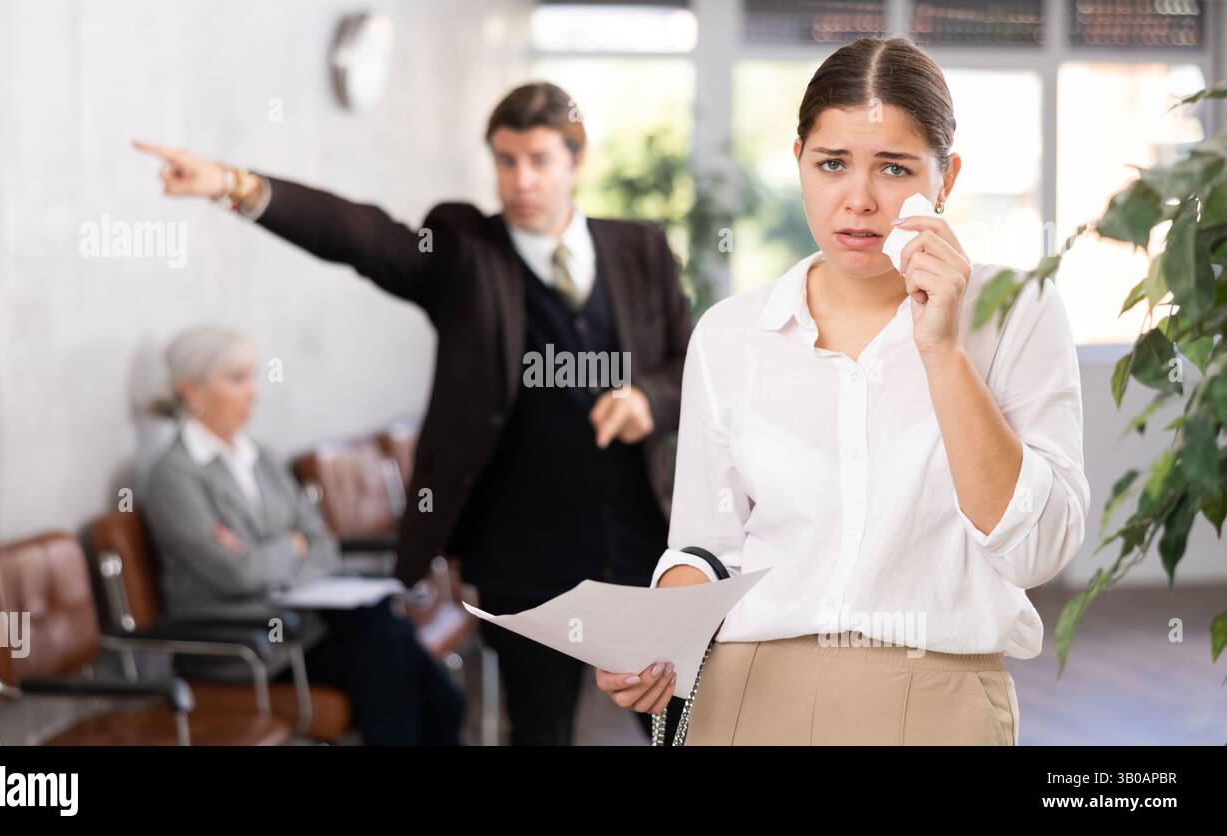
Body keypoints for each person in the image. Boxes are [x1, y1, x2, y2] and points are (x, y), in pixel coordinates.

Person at [133, 82, 694, 745]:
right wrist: (237, 184)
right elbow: (363, 236)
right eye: (506, 161)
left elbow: (689, 366)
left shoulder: (639, 250)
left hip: (634, 542)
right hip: (523, 559)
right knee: (540, 730)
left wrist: (645, 400)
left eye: (540, 160)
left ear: (578, 161)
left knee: (680, 722)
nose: (521, 181)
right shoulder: (466, 250)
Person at [597, 35, 1090, 744]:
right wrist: (656, 635)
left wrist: (942, 350)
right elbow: (707, 544)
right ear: (799, 160)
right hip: (744, 697)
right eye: (832, 164)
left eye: (893, 168)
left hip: (940, 700)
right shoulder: (732, 333)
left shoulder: (1017, 315)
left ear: (944, 178)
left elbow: (1036, 551)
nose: (858, 200)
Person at [144, 326, 465, 745]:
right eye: (237, 379)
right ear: (192, 391)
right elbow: (236, 574)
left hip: (304, 630)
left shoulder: (261, 458)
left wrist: (276, 556)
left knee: (418, 672)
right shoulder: (175, 478)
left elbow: (322, 544)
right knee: (389, 655)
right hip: (248, 649)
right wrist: (291, 546)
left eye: (254, 377)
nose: (254, 393)